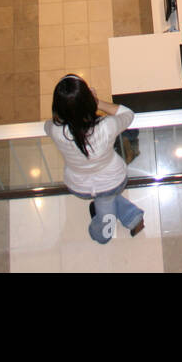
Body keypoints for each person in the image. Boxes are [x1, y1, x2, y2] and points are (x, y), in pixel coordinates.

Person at [44, 75, 144, 243]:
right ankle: (104, 235)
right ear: (88, 101)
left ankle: (133, 216)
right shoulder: (106, 126)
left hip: (79, 185)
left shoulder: (54, 130)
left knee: (105, 199)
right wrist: (97, 102)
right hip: (112, 181)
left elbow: (49, 124)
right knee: (106, 204)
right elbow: (128, 114)